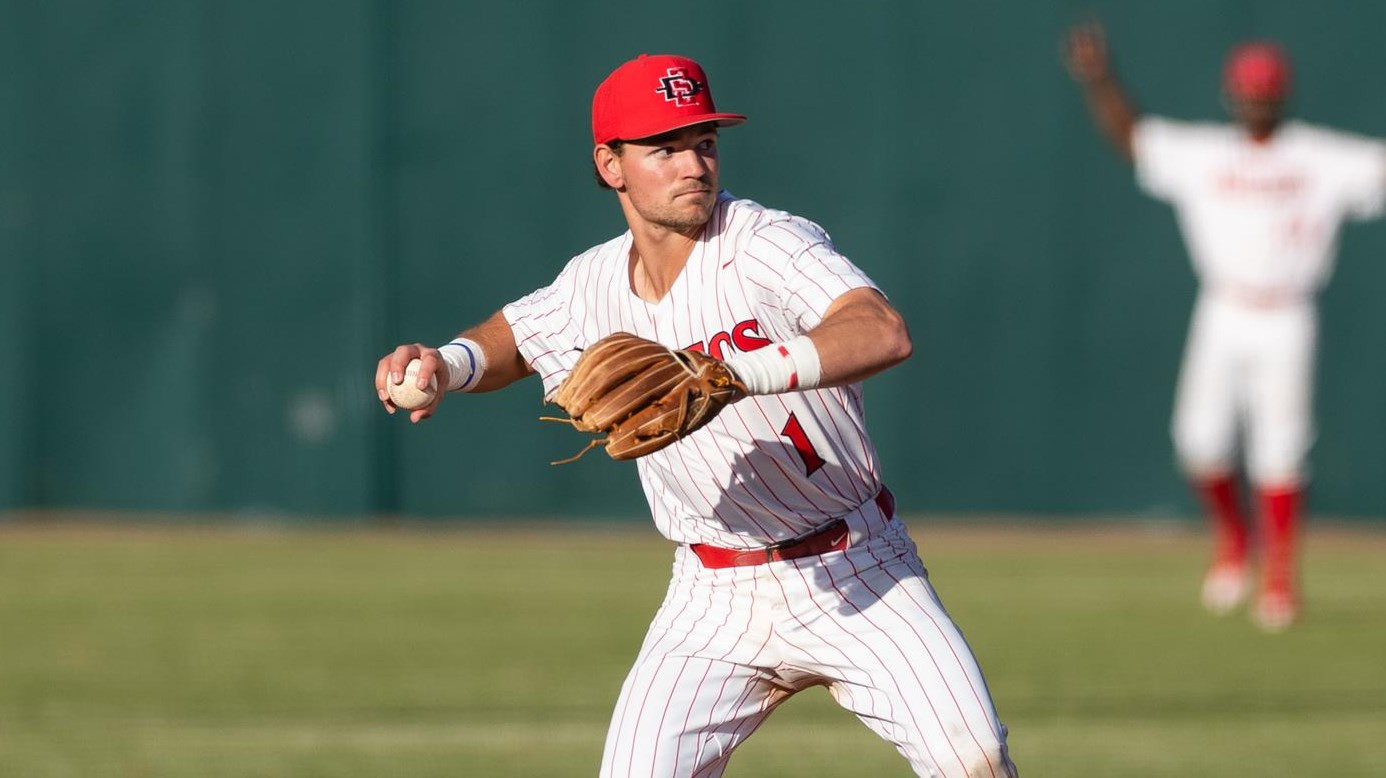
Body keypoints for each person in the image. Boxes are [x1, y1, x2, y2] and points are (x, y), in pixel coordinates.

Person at [375, 53, 1018, 777]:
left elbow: (881, 331)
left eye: (704, 142)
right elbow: (516, 340)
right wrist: (445, 365)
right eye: (665, 148)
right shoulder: (591, 285)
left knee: (975, 759)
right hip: (711, 597)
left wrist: (736, 375)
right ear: (611, 165)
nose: (693, 166)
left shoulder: (765, 243)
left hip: (859, 568)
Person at [1065, 22, 1386, 631]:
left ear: (1281, 95)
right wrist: (1099, 77)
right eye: (1246, 91)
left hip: (1288, 310)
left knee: (1282, 450)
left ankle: (1281, 577)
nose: (1254, 101)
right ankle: (1237, 542)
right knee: (1200, 442)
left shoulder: (1317, 156)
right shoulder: (1208, 155)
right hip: (1224, 308)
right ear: (1231, 95)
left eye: (1263, 92)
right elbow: (1134, 139)